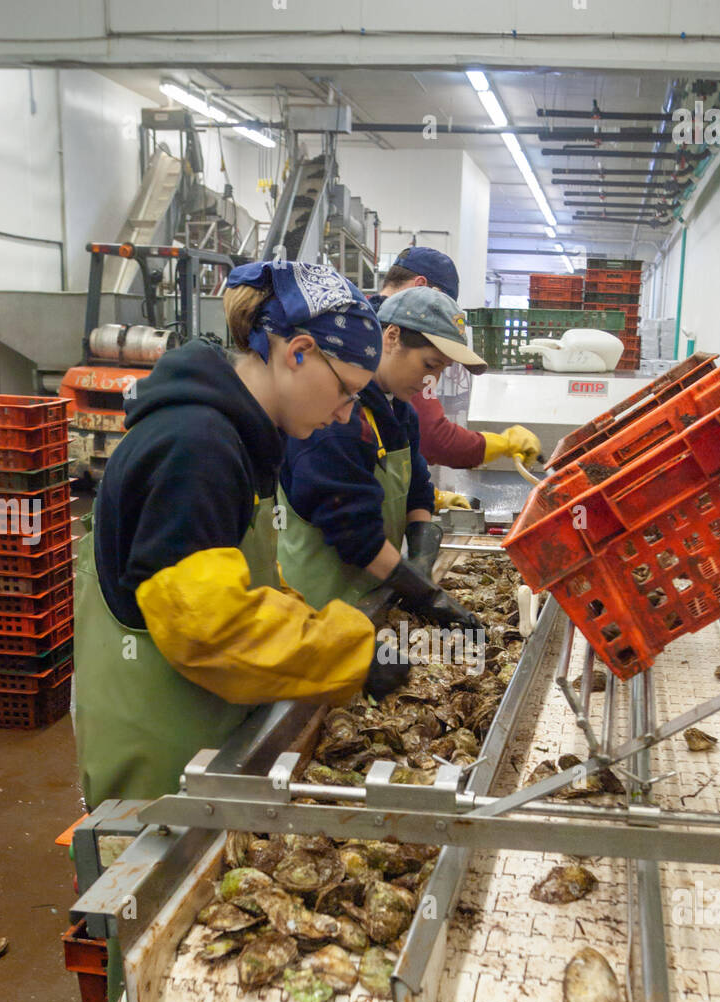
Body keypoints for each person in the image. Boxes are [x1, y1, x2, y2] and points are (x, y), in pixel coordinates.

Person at [74, 259, 409, 813]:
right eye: (348, 392)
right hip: (159, 773)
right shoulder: (196, 445)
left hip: (202, 740)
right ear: (297, 352)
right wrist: (352, 652)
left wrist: (323, 631)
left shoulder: (236, 435)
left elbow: (251, 581)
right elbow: (211, 629)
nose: (349, 416)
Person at [277, 286, 488, 615]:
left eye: (442, 369)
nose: (431, 379)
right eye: (429, 364)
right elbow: (352, 531)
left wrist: (422, 556)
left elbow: (417, 489)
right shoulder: (333, 419)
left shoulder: (401, 413)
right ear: (391, 337)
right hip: (315, 610)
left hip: (369, 600)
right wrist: (426, 595)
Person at [370, 246, 541, 479]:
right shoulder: (401, 352)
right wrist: (501, 444)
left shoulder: (366, 323)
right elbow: (432, 437)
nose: (432, 377)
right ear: (421, 288)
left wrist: (427, 500)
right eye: (431, 365)